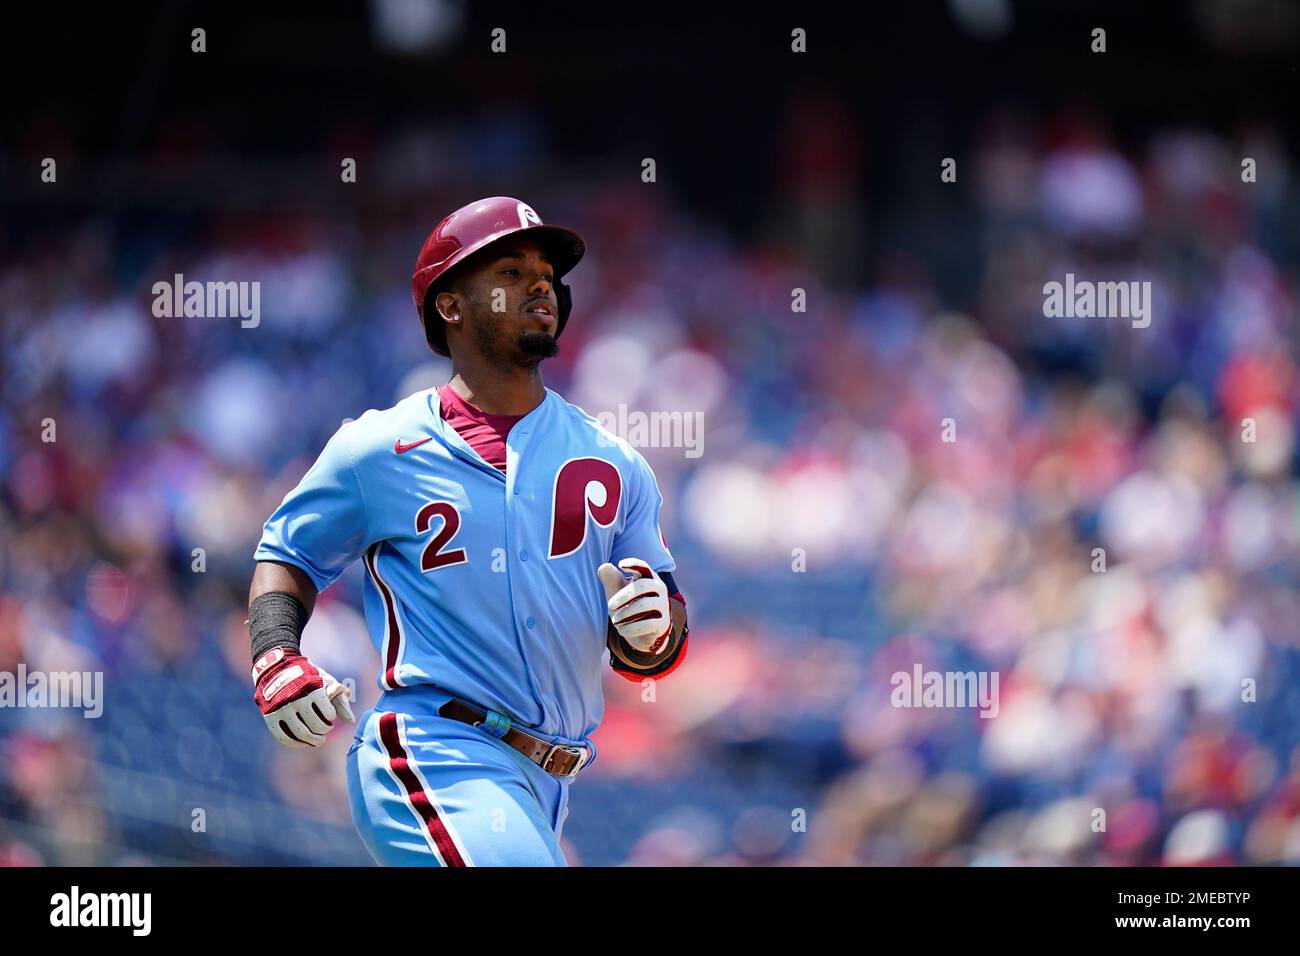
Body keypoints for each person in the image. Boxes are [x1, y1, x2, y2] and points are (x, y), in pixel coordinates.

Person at [245, 197, 688, 866]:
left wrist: (655, 631)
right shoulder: (379, 448)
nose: (541, 284)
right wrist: (277, 654)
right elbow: (288, 551)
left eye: (546, 272)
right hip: (434, 749)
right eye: (510, 270)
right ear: (450, 306)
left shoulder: (615, 463)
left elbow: (659, 632)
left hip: (544, 782)